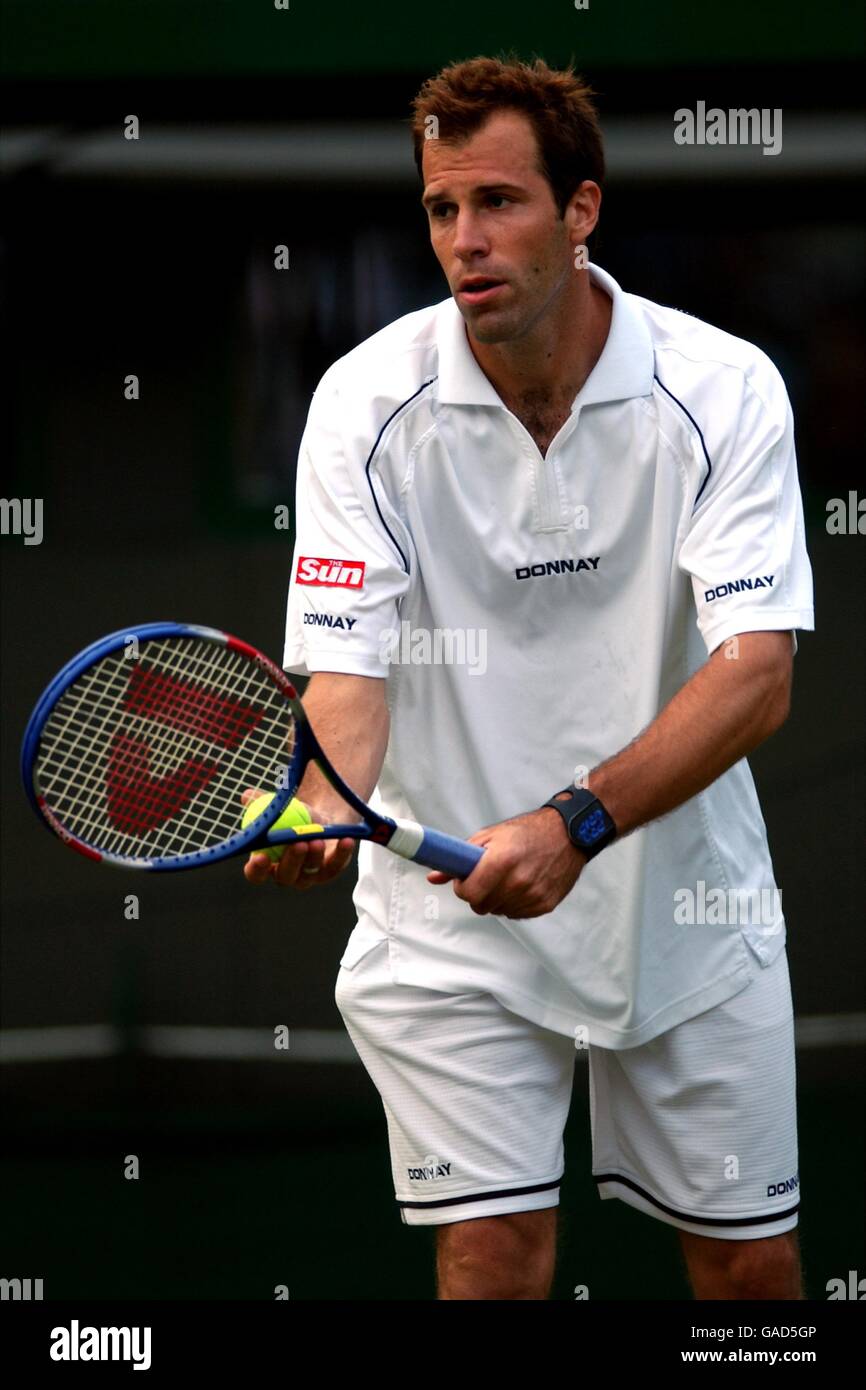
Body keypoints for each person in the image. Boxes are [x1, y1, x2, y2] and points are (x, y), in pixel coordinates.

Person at [244, 56, 814, 1300]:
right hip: (448, 938)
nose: (465, 239)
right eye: (441, 209)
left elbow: (755, 673)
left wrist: (575, 822)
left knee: (748, 1274)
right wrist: (327, 800)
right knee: (492, 1260)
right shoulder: (360, 406)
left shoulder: (721, 390)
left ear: (581, 210)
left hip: (684, 915)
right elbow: (348, 671)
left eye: (498, 201)